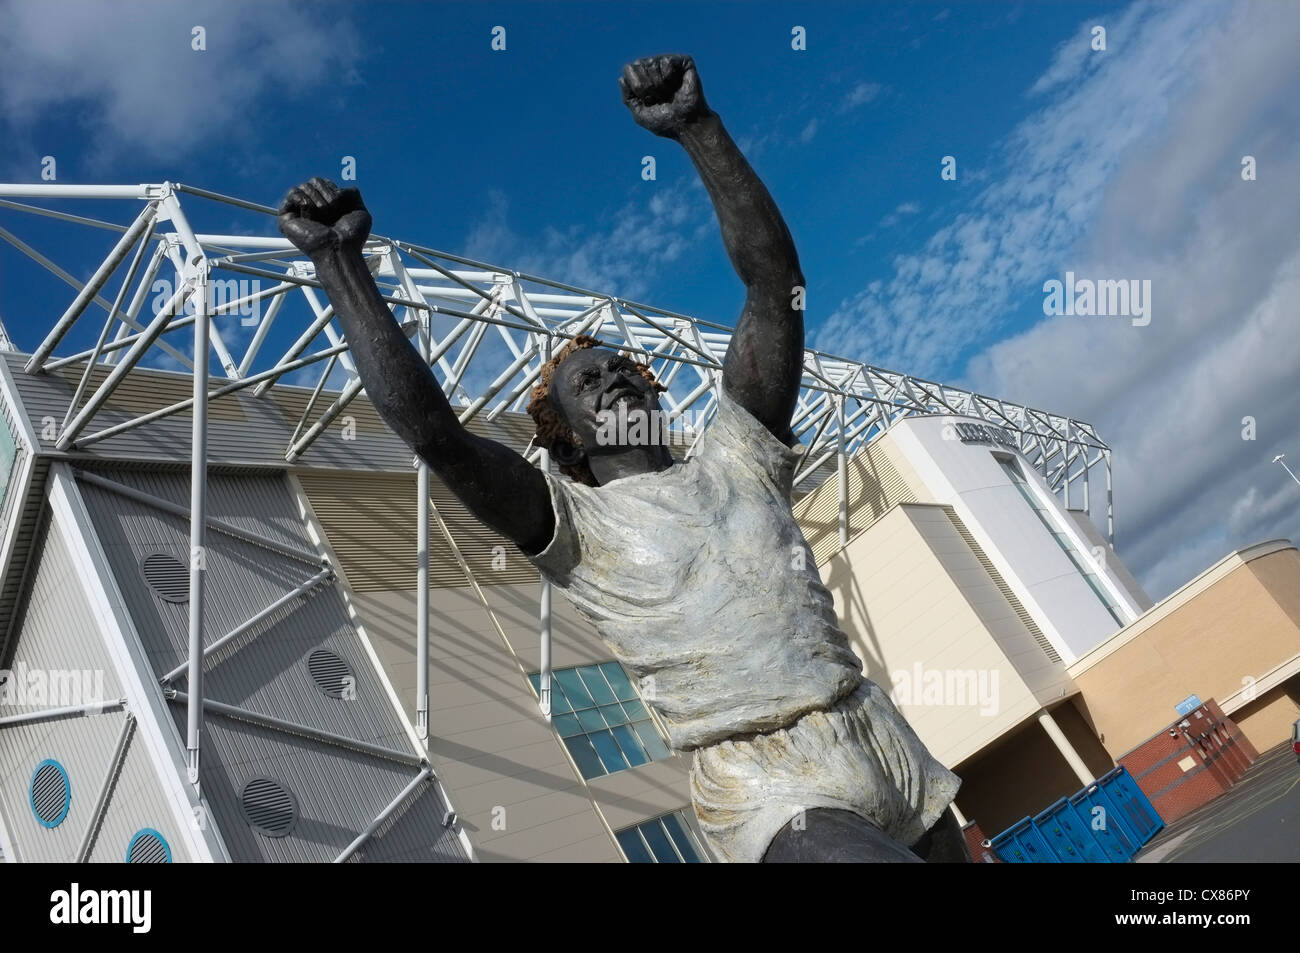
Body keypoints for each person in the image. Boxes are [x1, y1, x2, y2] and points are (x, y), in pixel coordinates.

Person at [279, 53, 966, 863]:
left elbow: (775, 285)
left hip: (875, 731)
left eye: (626, 369)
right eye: (590, 383)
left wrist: (696, 130)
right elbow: (437, 435)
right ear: (566, 434)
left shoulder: (739, 453)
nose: (618, 381)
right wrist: (339, 264)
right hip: (771, 788)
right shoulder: (573, 524)